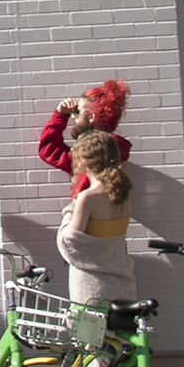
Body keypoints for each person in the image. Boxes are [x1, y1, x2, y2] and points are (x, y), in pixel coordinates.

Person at [58, 130, 135, 303]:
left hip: (92, 288)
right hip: (122, 284)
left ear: (84, 160)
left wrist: (70, 211)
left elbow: (71, 246)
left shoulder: (88, 198)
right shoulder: (122, 194)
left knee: (89, 330)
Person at [39, 79, 132, 195]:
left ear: (91, 116)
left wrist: (61, 115)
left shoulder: (88, 155)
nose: (73, 117)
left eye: (77, 112)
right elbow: (50, 150)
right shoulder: (112, 152)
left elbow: (50, 150)